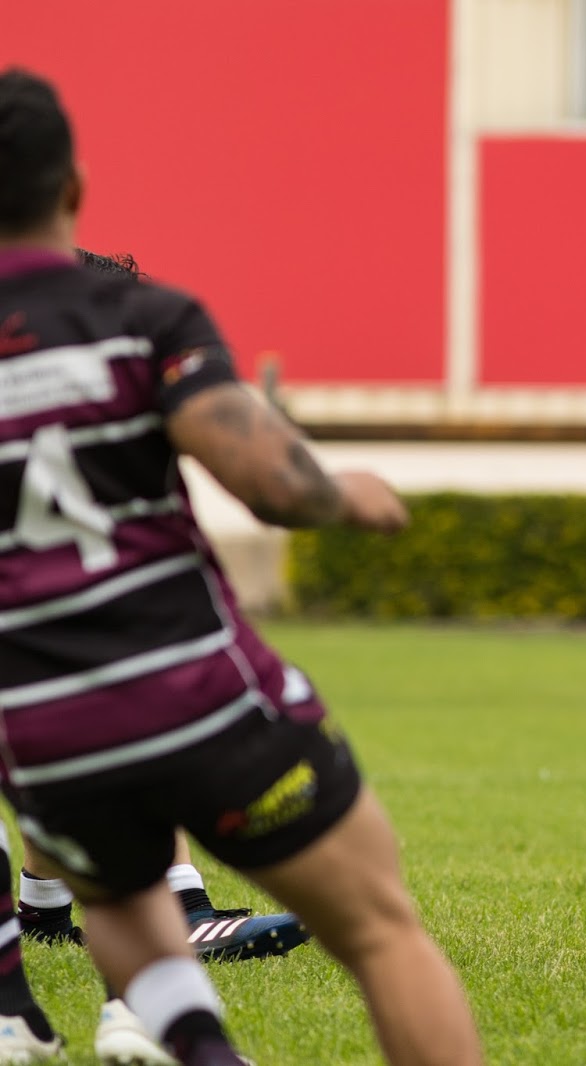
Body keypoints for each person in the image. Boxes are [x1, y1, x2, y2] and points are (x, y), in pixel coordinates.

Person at [0, 67, 483, 1065]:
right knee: (381, 930)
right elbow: (271, 483)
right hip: (201, 700)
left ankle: (186, 1041)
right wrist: (347, 493)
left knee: (119, 892)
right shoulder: (139, 314)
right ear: (74, 188)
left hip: (46, 734)